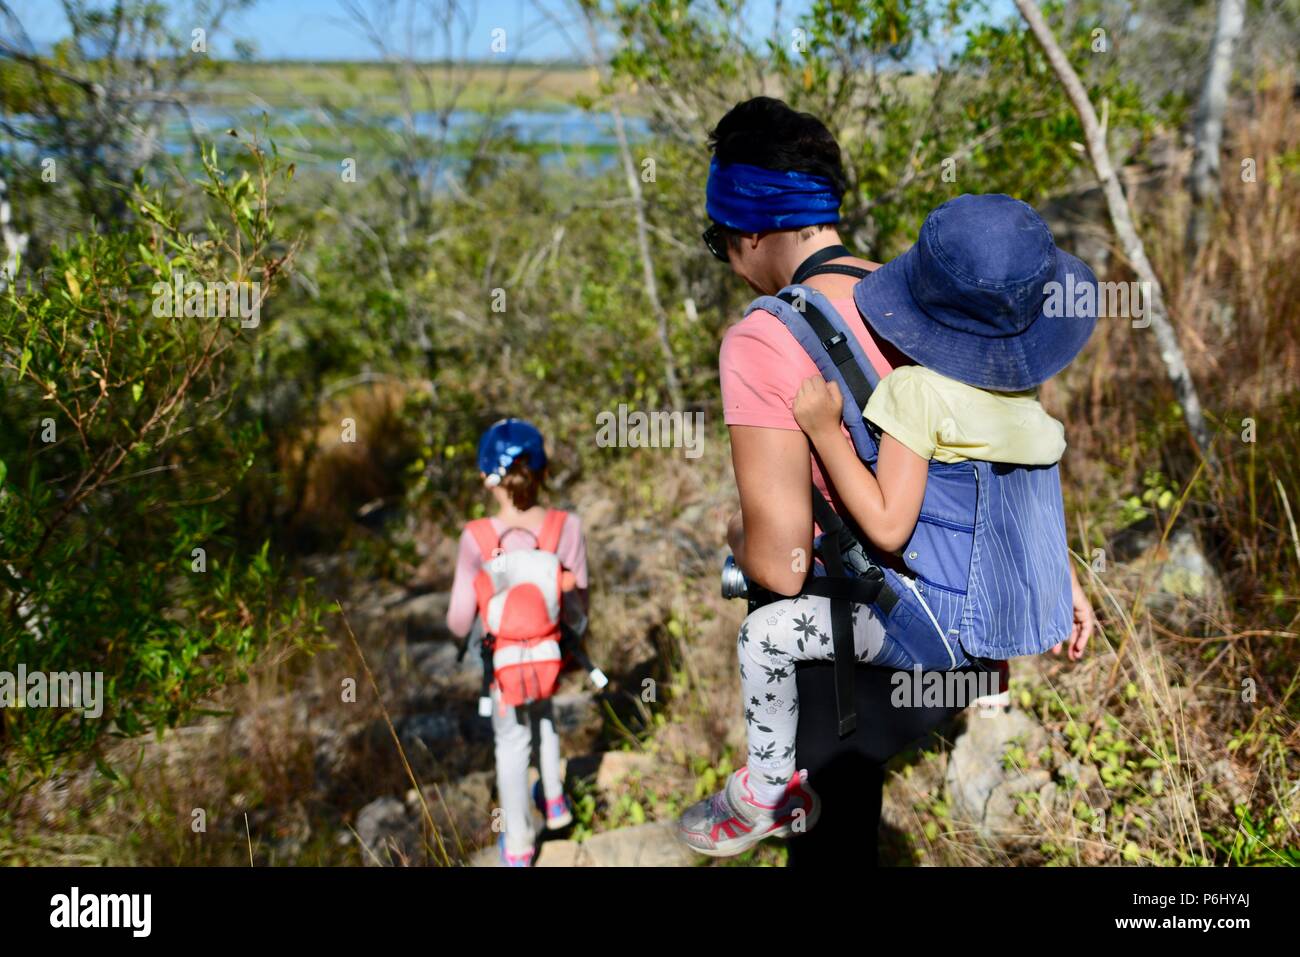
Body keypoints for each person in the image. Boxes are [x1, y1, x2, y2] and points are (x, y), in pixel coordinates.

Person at [676, 98, 1096, 860]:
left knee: (829, 837)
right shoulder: (932, 294)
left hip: (875, 643)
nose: (729, 260)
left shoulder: (761, 339)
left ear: (745, 229)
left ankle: (769, 794)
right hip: (981, 638)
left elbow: (782, 564)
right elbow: (1009, 460)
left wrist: (734, 533)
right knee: (856, 811)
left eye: (718, 240)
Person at [445, 418, 588, 867]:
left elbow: (456, 619)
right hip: (550, 652)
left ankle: (521, 842)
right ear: (542, 472)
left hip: (502, 665)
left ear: (487, 479)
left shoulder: (476, 537)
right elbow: (579, 603)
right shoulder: (566, 526)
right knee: (544, 716)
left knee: (510, 743)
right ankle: (555, 801)